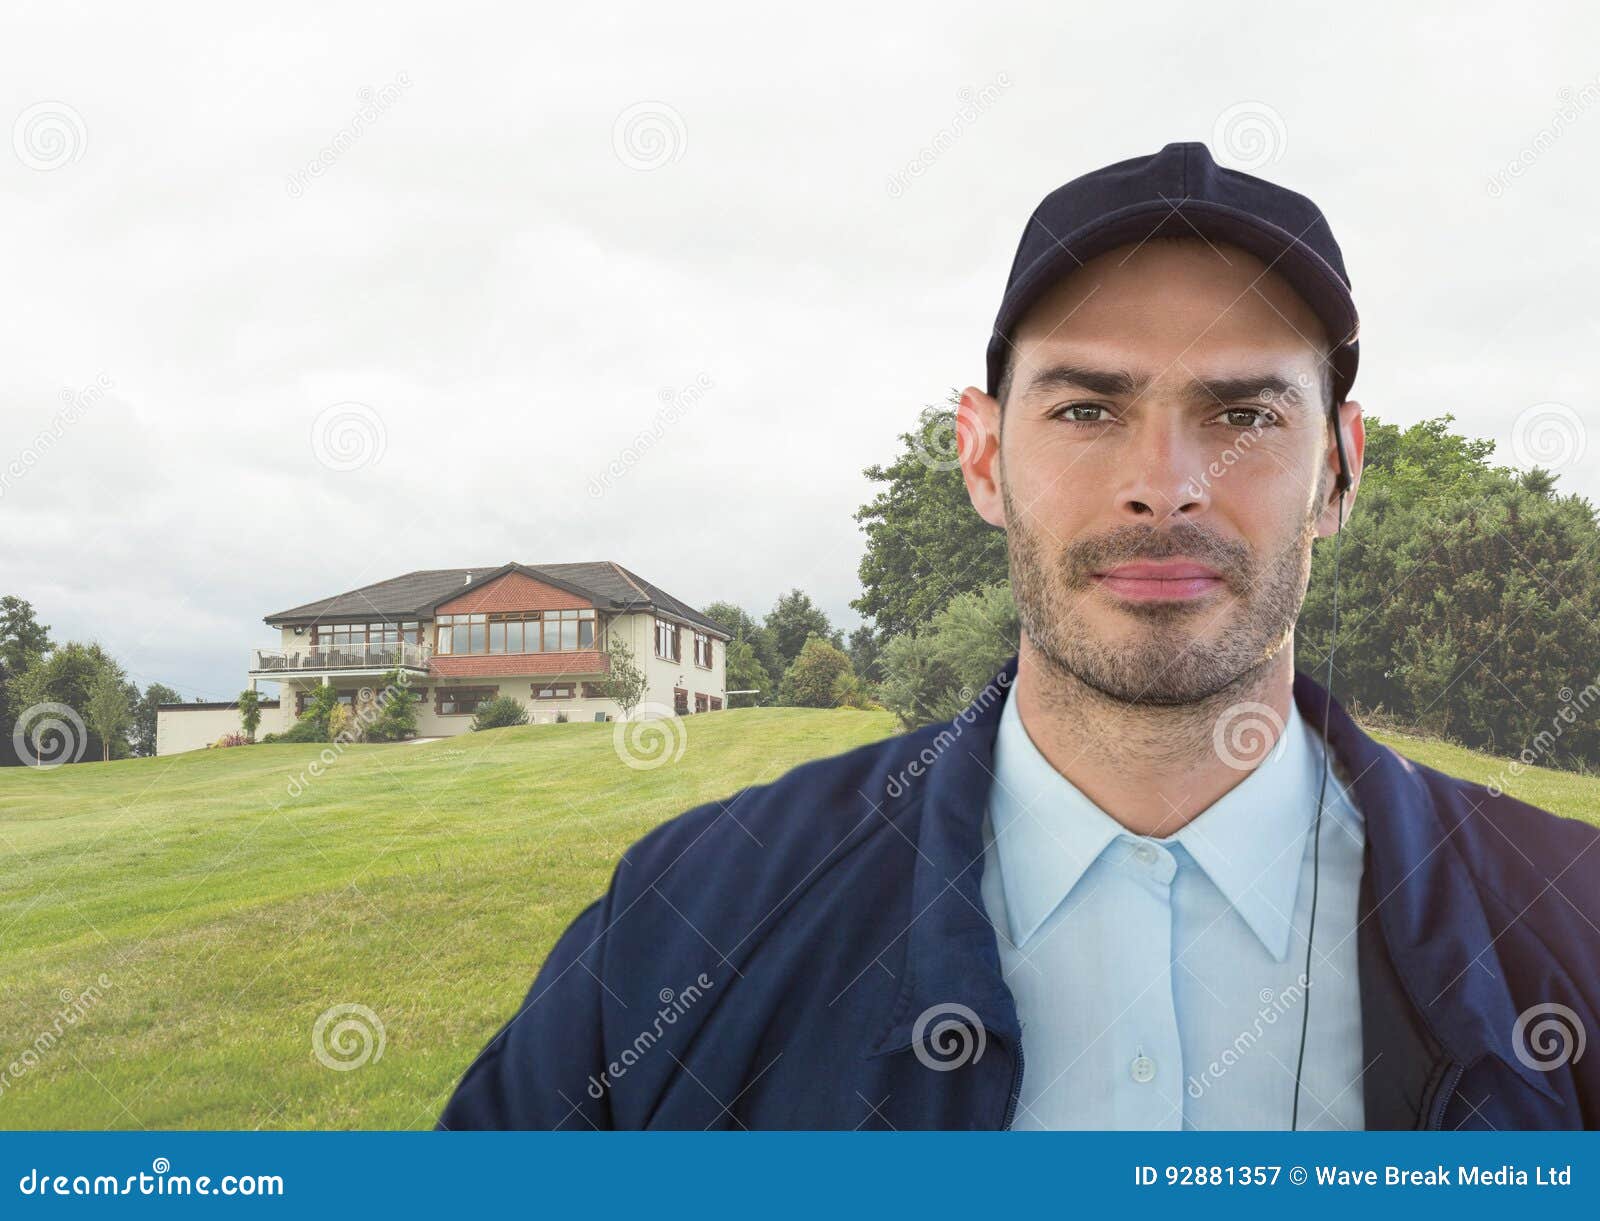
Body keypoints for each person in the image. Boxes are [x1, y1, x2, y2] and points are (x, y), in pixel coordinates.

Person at [438, 142, 1600, 1131]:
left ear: (1339, 468)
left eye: (1242, 415)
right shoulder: (687, 917)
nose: (1164, 487)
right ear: (983, 456)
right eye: (1087, 410)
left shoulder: (1569, 919)